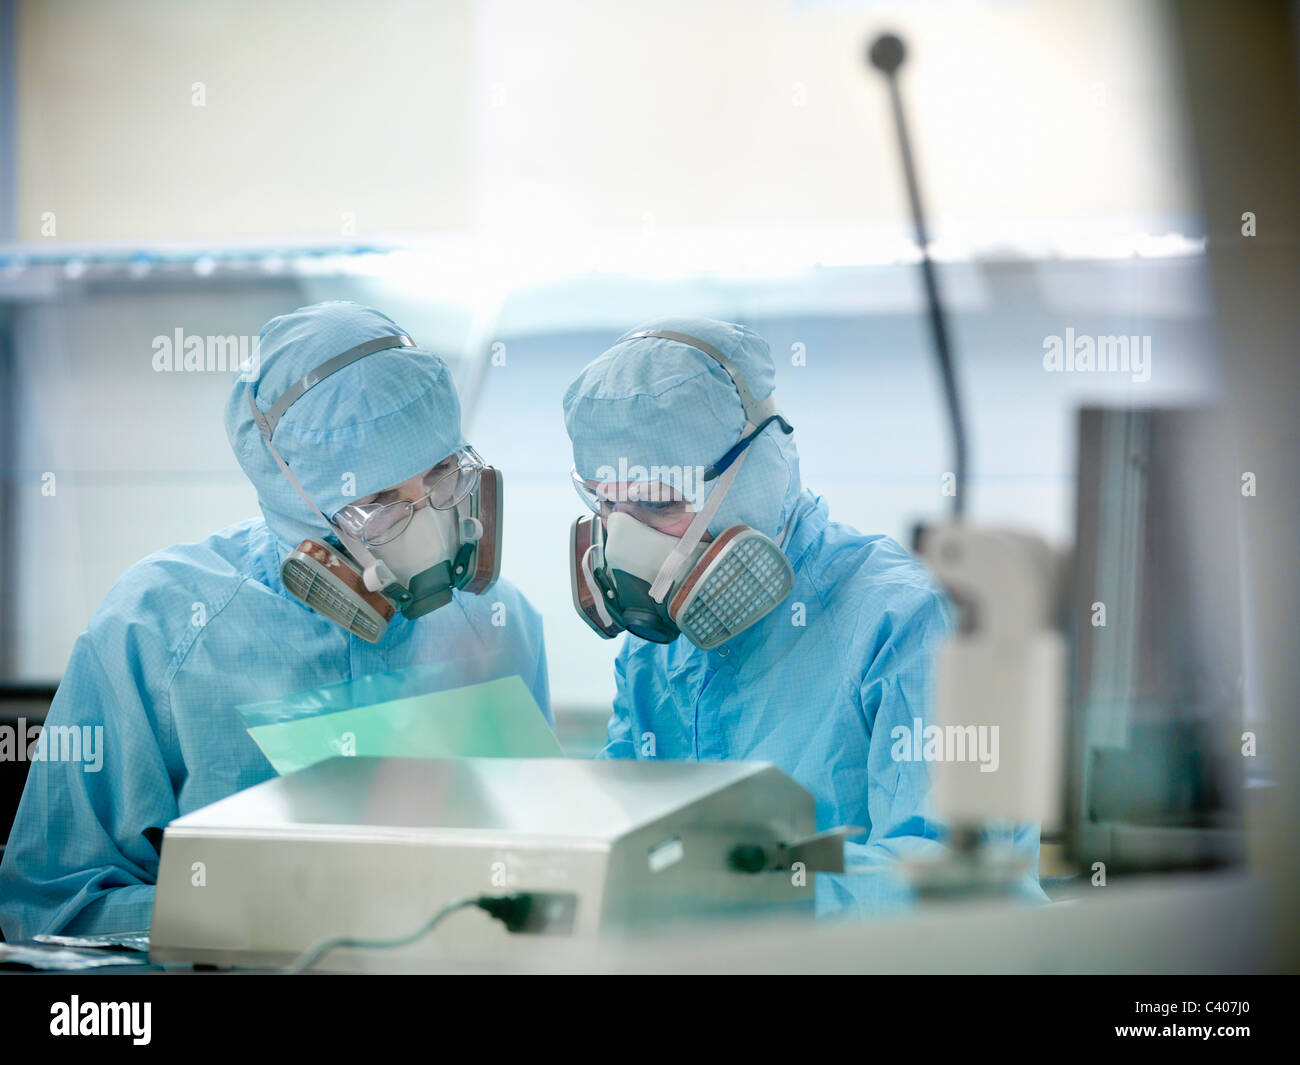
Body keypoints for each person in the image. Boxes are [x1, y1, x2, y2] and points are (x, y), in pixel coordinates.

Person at [0, 301, 550, 940]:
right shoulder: (157, 630)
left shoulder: (498, 622)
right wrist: (262, 919)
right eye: (377, 503)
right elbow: (47, 907)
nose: (428, 529)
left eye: (441, 476)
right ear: (294, 499)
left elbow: (551, 871)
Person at [563, 316, 1043, 916]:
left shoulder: (909, 622)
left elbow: (962, 891)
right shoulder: (655, 647)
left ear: (753, 475)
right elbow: (618, 838)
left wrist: (741, 899)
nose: (626, 541)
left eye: (659, 503)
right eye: (607, 504)